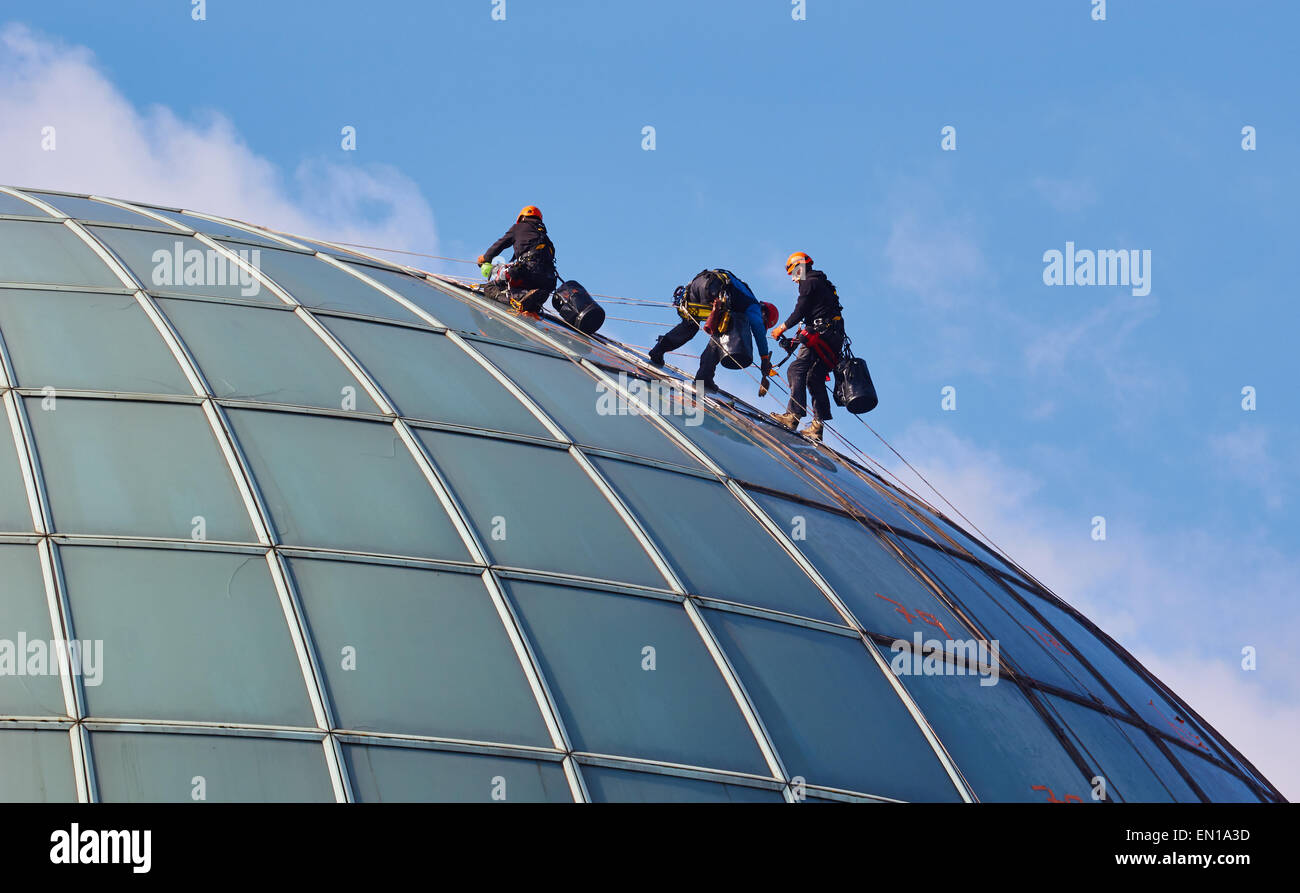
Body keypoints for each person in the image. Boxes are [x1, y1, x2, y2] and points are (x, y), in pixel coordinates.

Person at [647, 268, 776, 393]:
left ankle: (658, 350)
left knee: (690, 325)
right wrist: (764, 359)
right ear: (764, 313)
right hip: (714, 290)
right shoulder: (753, 305)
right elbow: (758, 327)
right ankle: (704, 377)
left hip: (699, 285)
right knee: (721, 334)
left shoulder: (742, 293)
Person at [769, 251, 844, 442]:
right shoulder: (820, 282)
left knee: (795, 370)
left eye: (793, 274)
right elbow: (811, 320)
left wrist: (781, 328)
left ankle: (793, 416)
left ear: (800, 268)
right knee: (814, 376)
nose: (794, 280)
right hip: (833, 336)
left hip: (823, 333)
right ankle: (817, 427)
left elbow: (799, 311)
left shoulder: (808, 282)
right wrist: (792, 343)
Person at [476, 205, 556, 318]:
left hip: (528, 271)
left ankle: (516, 300)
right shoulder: (546, 239)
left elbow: (500, 245)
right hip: (547, 280)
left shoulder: (518, 228)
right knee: (524, 291)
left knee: (490, 288)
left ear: (522, 218)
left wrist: (485, 258)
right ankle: (529, 302)